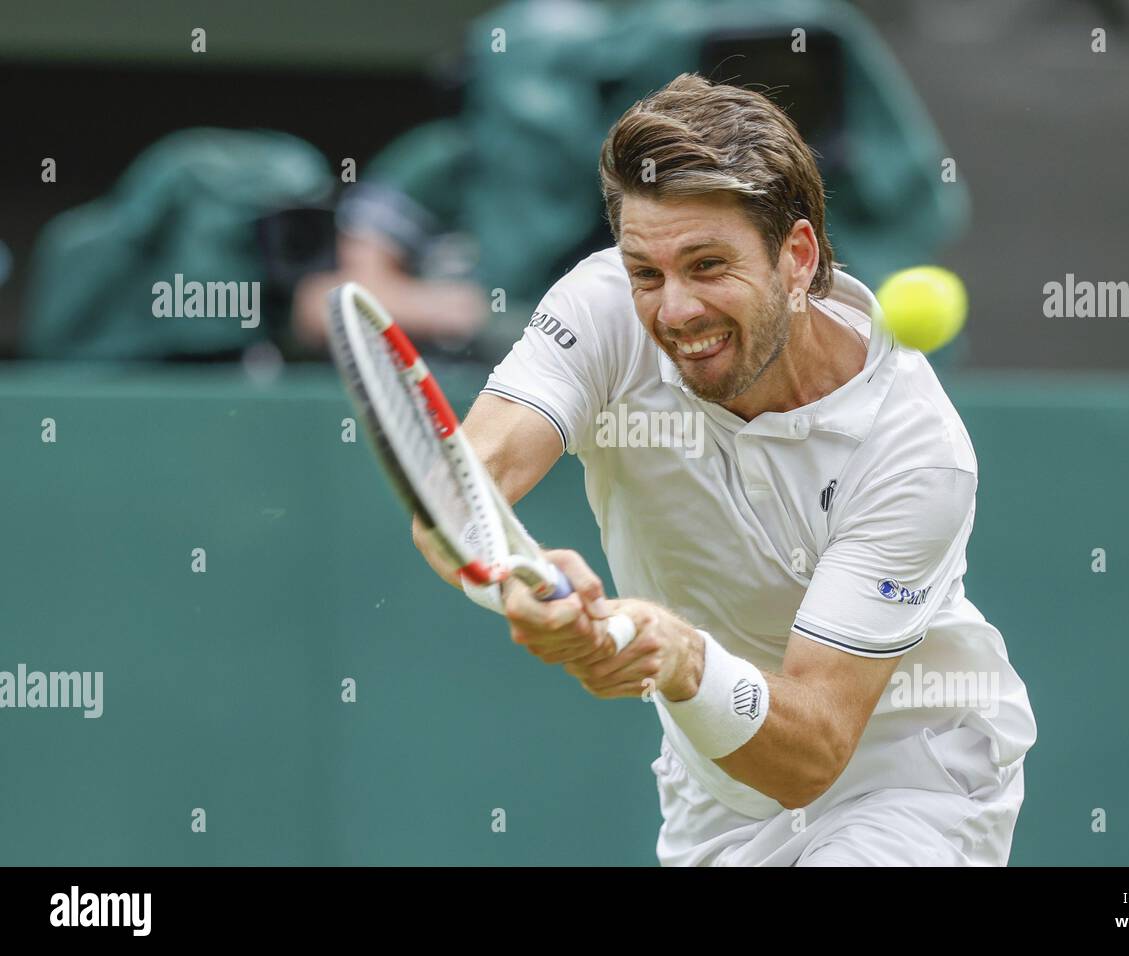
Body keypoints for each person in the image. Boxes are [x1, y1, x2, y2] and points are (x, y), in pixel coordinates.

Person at [413, 74, 1036, 866]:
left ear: (797, 257)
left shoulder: (915, 452)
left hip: (911, 781)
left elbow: (809, 752)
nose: (673, 310)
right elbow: (462, 487)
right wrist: (516, 580)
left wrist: (684, 659)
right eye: (646, 273)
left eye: (708, 266)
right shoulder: (602, 308)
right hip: (717, 797)